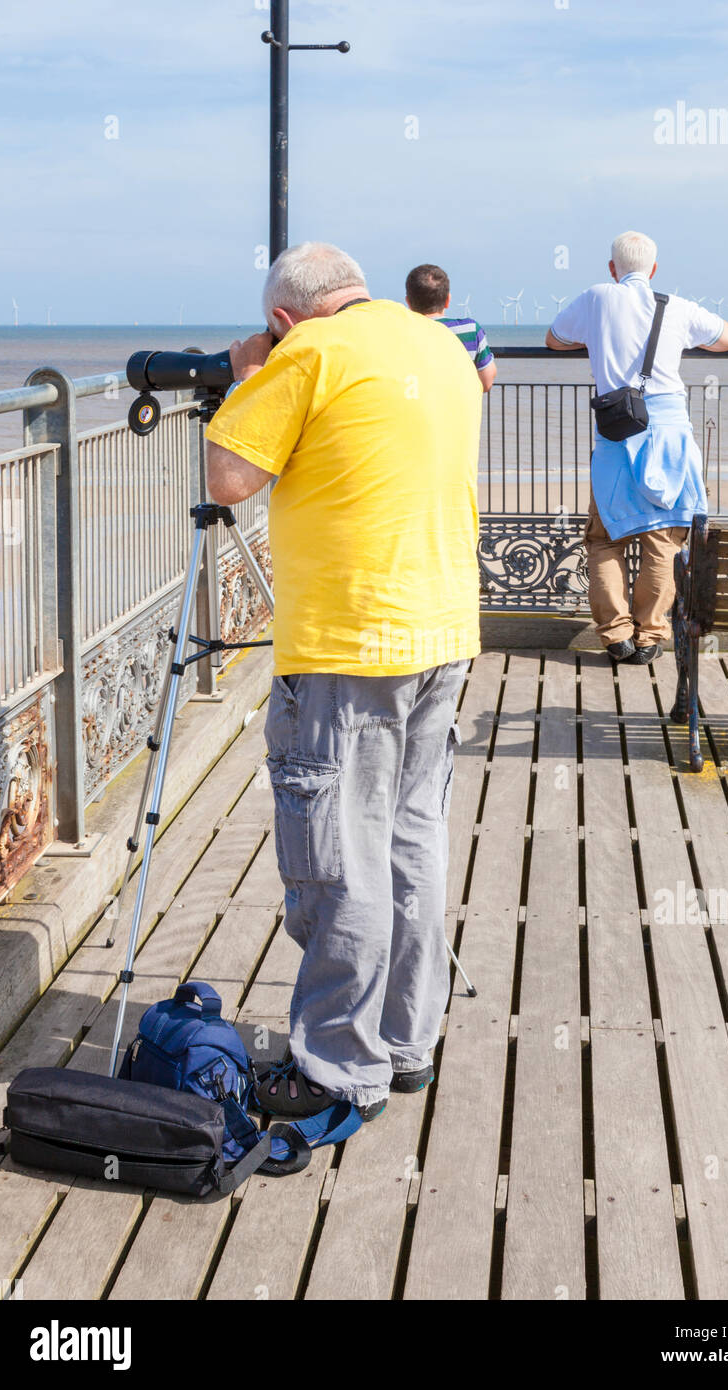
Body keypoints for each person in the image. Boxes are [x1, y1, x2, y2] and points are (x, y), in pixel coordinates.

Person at [204, 242, 483, 1131]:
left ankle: (335, 1068)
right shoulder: (441, 345)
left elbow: (230, 476)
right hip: (443, 631)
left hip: (349, 644)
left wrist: (251, 374)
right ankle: (408, 1044)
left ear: (288, 317)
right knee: (411, 843)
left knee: (338, 858)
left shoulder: (309, 353)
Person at [546, 230, 728, 663]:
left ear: (612, 269)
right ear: (653, 270)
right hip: (669, 433)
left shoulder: (597, 298)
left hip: (617, 434)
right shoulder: (677, 307)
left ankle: (616, 635)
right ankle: (650, 636)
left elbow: (554, 339)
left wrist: (595, 340)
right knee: (663, 539)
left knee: (605, 539)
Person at [405, 263, 497, 392]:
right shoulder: (470, 329)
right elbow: (486, 382)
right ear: (448, 300)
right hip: (460, 410)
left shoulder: (401, 332)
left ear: (408, 302)